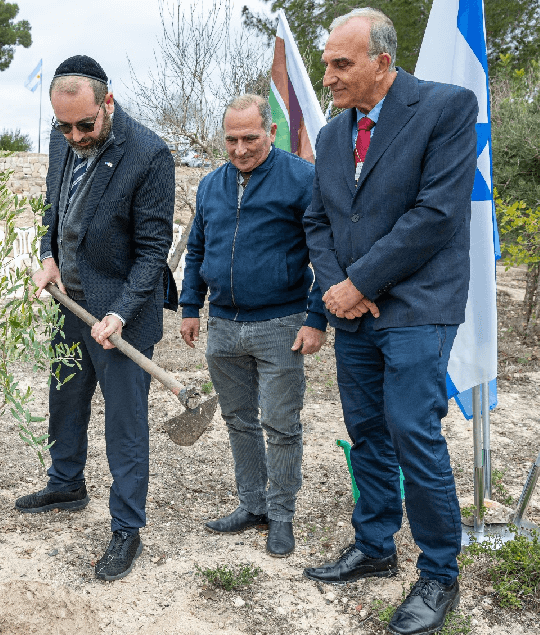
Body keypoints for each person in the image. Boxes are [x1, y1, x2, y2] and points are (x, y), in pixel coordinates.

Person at [301, 9, 477, 635]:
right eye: (325, 63)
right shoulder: (329, 137)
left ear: (382, 61)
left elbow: (435, 213)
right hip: (352, 311)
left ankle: (438, 574)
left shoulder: (446, 108)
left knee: (411, 432)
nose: (328, 77)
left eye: (340, 64)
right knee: (367, 430)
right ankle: (375, 545)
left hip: (417, 306)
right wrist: (336, 289)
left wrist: (360, 283)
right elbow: (318, 221)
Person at [15, 55, 174, 582]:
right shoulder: (63, 140)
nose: (75, 136)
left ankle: (126, 527)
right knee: (65, 400)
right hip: (71, 305)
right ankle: (66, 482)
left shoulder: (149, 153)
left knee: (125, 426)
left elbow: (153, 252)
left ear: (107, 103)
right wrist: (48, 255)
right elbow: (52, 210)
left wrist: (120, 314)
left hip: (119, 317)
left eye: (85, 124)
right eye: (64, 127)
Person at [179, 95, 326, 558]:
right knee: (238, 420)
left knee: (281, 425)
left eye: (250, 138)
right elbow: (197, 249)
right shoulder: (209, 185)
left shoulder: (303, 180)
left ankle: (281, 516)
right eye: (231, 139)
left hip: (281, 323)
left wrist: (317, 317)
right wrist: (189, 305)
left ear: (272, 132)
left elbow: (327, 254)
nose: (240, 149)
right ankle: (253, 505)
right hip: (222, 324)